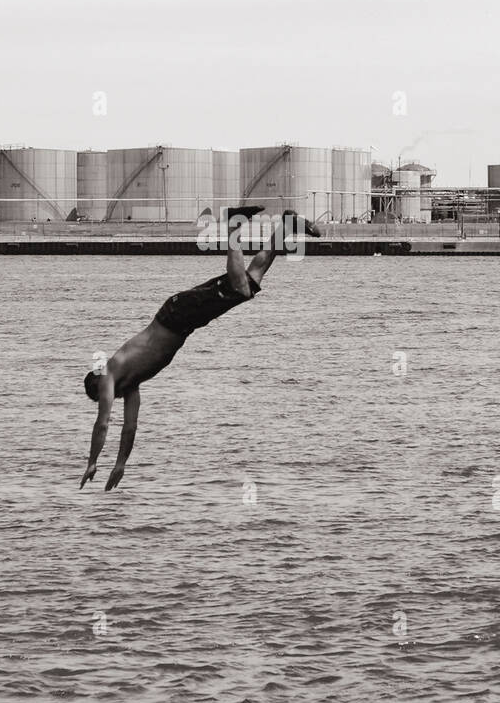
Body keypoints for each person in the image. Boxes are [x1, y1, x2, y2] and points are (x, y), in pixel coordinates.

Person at [80, 209, 320, 491]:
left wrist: (92, 462)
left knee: (240, 287)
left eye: (103, 399)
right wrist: (120, 464)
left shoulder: (108, 375)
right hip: (183, 322)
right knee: (251, 281)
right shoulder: (131, 384)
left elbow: (104, 424)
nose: (111, 400)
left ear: (97, 387)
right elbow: (129, 428)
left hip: (176, 315)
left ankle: (234, 225)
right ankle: (286, 225)